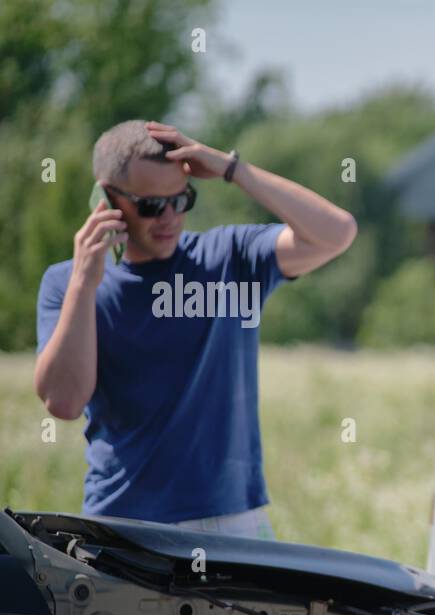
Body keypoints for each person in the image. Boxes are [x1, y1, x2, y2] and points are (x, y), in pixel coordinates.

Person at [34, 120, 357, 539]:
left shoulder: (229, 259)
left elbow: (337, 233)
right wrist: (84, 283)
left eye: (181, 200)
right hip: (123, 525)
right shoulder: (66, 283)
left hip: (233, 521)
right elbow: (63, 401)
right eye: (151, 205)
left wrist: (232, 169)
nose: (169, 218)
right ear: (106, 198)